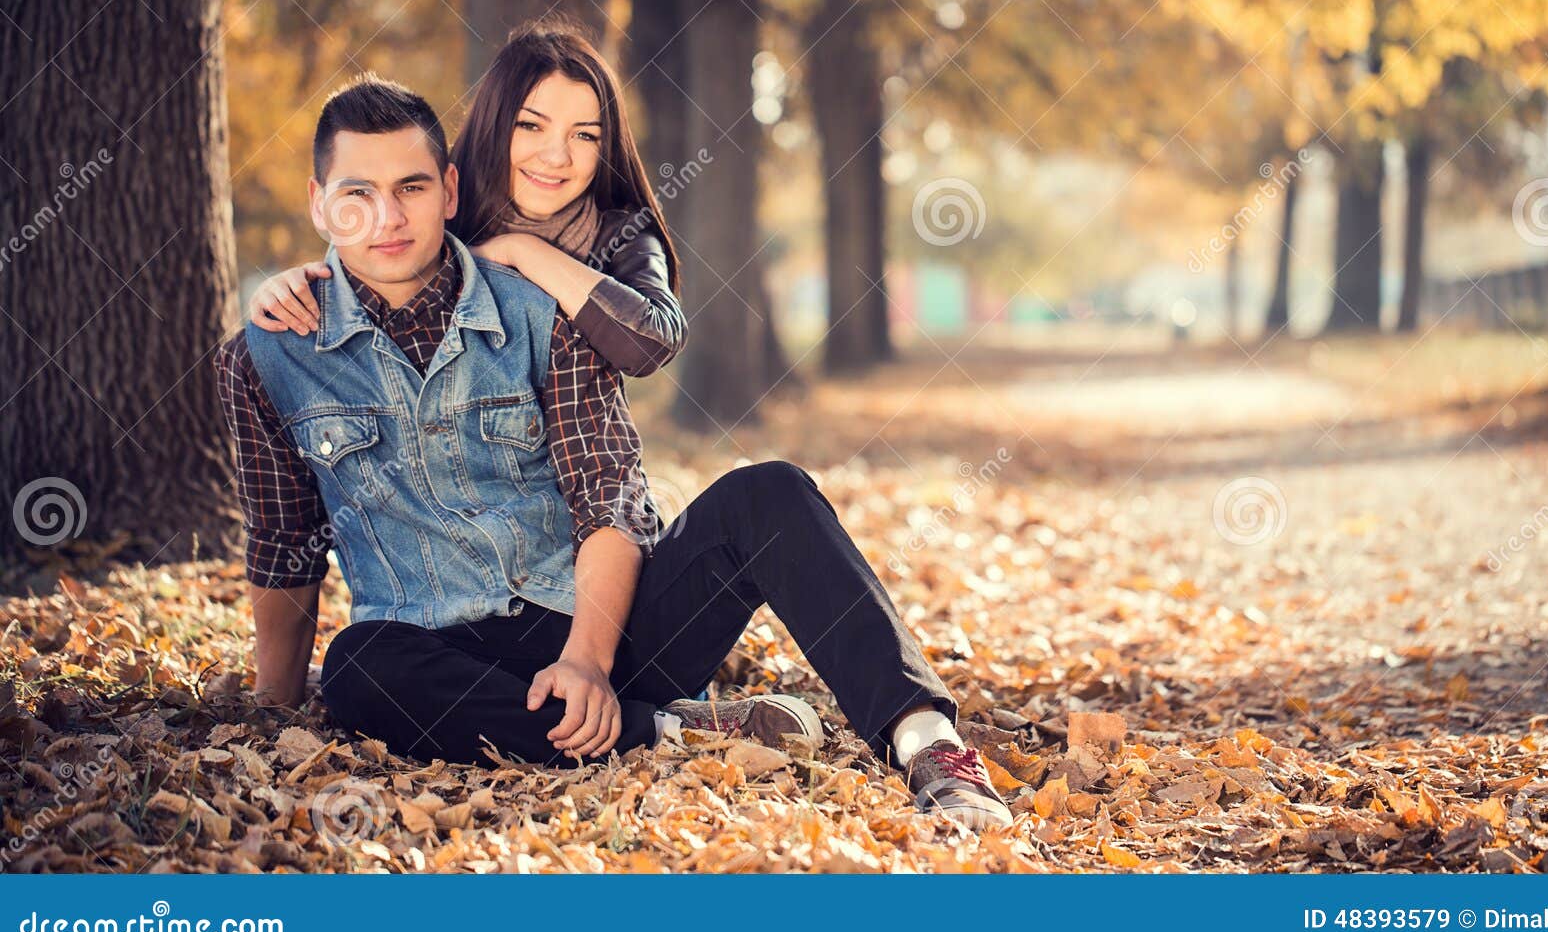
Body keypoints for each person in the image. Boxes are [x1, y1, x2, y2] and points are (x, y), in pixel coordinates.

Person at [213, 71, 1012, 832]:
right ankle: (668, 731)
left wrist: (587, 661)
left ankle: (923, 739)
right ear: (320, 204)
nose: (386, 218)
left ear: (449, 192)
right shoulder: (267, 354)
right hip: (438, 658)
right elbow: (285, 545)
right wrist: (274, 713)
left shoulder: (544, 309)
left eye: (411, 188)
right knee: (355, 667)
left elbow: (610, 496)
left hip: (606, 631)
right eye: (358, 194)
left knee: (769, 492)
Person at [246, 18, 685, 381]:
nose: (556, 156)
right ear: (495, 122)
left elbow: (649, 344)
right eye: (530, 126)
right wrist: (294, 285)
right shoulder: (441, 207)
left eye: (585, 135)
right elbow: (373, 259)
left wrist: (522, 251)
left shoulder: (621, 232)